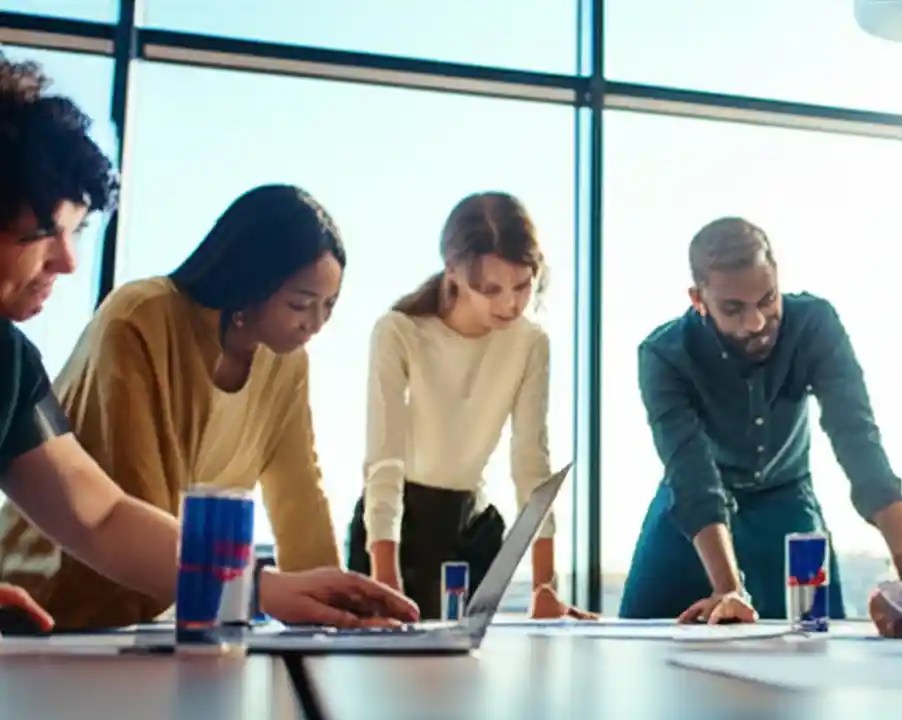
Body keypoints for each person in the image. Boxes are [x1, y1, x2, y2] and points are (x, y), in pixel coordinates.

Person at [0, 52, 416, 630]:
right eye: (42, 234)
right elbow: (130, 500)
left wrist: (271, 589)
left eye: (73, 233)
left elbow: (103, 515)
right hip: (71, 614)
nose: (68, 262)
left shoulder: (10, 364)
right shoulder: (140, 319)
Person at [618, 217, 902, 624]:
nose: (757, 323)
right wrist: (728, 589)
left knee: (815, 635)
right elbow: (691, 472)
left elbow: (856, 436)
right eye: (734, 309)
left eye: (767, 300)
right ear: (699, 299)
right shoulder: (663, 354)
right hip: (693, 516)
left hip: (788, 507)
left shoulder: (815, 324)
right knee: (644, 631)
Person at [348, 191, 591, 621]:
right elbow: (383, 463)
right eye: (490, 289)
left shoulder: (530, 343)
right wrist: (385, 577)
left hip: (470, 536)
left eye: (522, 285)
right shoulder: (399, 332)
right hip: (390, 533)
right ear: (454, 273)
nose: (510, 304)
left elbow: (531, 463)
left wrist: (544, 587)